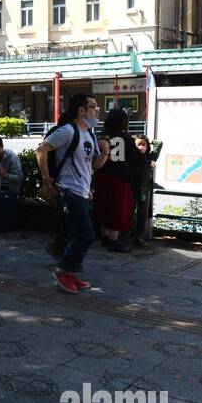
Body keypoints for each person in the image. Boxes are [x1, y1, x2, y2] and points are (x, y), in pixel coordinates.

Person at [37, 93, 109, 294]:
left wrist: (104, 153)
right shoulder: (68, 131)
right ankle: (62, 271)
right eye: (94, 106)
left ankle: (68, 271)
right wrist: (47, 178)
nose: (97, 110)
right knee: (86, 234)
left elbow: (94, 164)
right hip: (68, 191)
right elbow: (41, 151)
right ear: (81, 110)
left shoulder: (91, 134)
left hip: (82, 192)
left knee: (78, 234)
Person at [92, 108, 145, 253]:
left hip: (102, 175)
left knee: (103, 206)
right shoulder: (124, 137)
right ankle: (113, 240)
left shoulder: (99, 135)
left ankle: (104, 237)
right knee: (117, 207)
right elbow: (135, 158)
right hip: (119, 177)